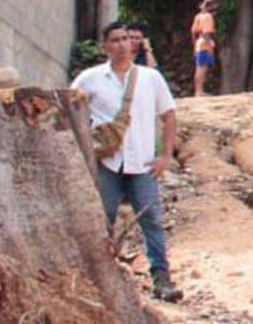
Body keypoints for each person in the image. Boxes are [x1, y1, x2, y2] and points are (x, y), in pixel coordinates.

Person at [72, 18, 184, 303]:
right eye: (116, 40)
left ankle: (161, 277)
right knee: (102, 217)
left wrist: (165, 156)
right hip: (107, 163)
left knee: (151, 219)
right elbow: (70, 109)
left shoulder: (150, 78)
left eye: (126, 39)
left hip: (143, 163)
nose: (122, 45)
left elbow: (169, 115)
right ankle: (98, 276)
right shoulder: (90, 79)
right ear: (105, 46)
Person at [190, 0, 219, 96]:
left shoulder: (198, 16)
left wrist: (194, 46)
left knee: (199, 67)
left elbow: (193, 32)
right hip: (204, 43)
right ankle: (199, 91)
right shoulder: (208, 17)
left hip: (198, 43)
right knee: (202, 68)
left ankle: (198, 90)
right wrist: (210, 47)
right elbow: (206, 32)